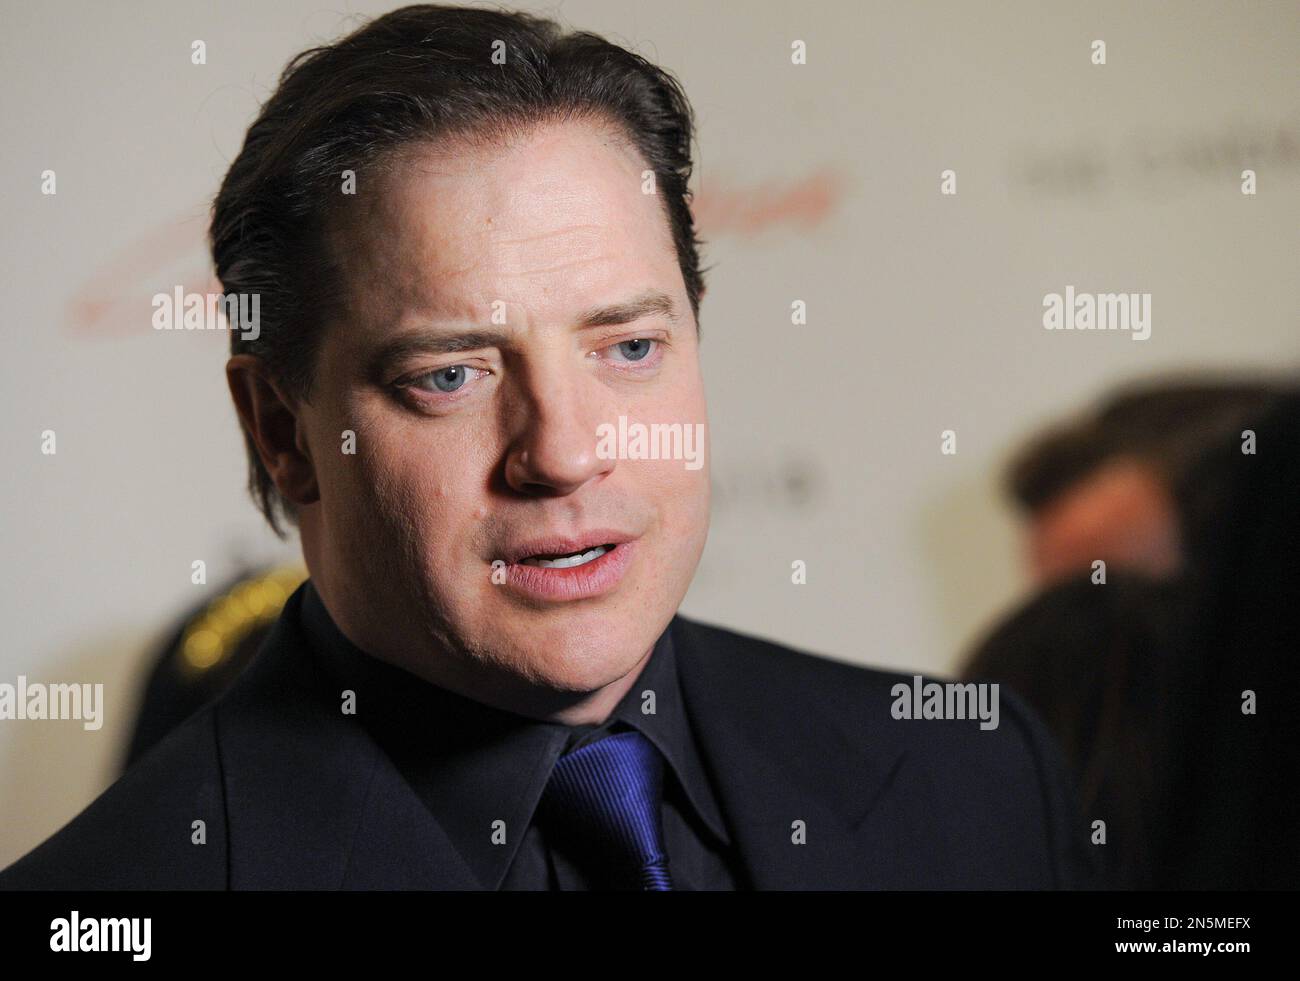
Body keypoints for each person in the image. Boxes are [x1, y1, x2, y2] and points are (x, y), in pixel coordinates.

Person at [0, 4, 1094, 890]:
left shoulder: (976, 775)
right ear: (281, 431)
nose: (564, 454)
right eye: (449, 375)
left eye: (627, 347)